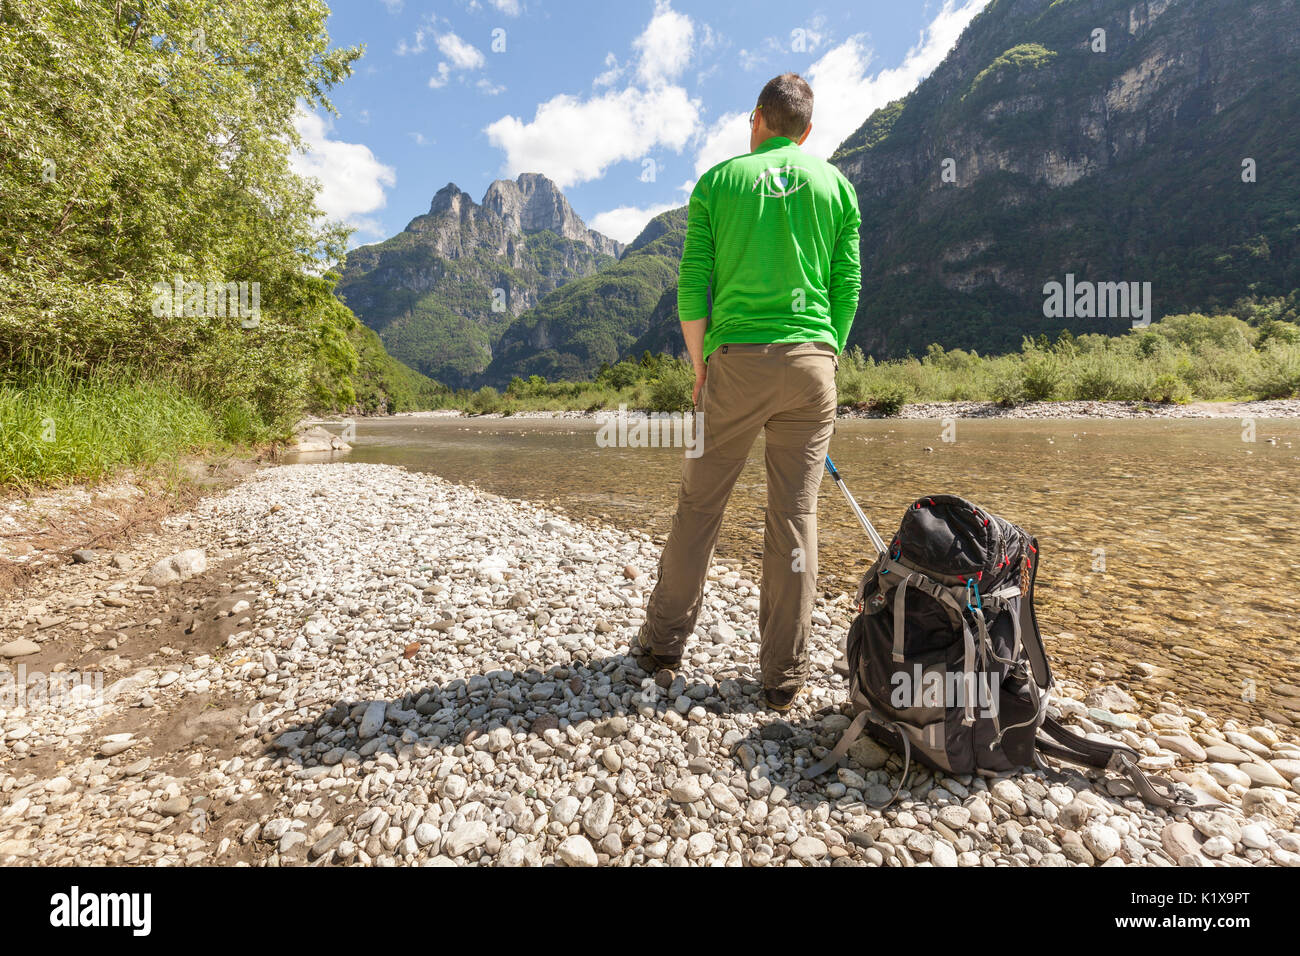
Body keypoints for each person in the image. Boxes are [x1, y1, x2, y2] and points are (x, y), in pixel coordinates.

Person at [637, 72, 862, 712]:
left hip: (734, 361)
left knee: (699, 507)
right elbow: (846, 288)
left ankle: (661, 646)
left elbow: (692, 287)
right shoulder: (838, 186)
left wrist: (701, 368)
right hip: (813, 364)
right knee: (794, 518)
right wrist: (827, 354)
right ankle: (781, 677)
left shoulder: (718, 182)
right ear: (807, 131)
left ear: (755, 119)